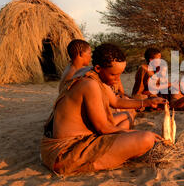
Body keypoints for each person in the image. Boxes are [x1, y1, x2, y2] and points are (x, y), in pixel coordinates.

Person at [40, 43, 167, 175]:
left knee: (127, 118)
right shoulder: (90, 84)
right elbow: (104, 128)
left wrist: (147, 102)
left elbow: (116, 101)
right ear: (98, 68)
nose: (117, 80)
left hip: (69, 144)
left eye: (120, 75)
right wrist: (138, 134)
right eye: (113, 75)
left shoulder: (91, 73)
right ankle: (88, 164)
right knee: (146, 138)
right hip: (67, 152)